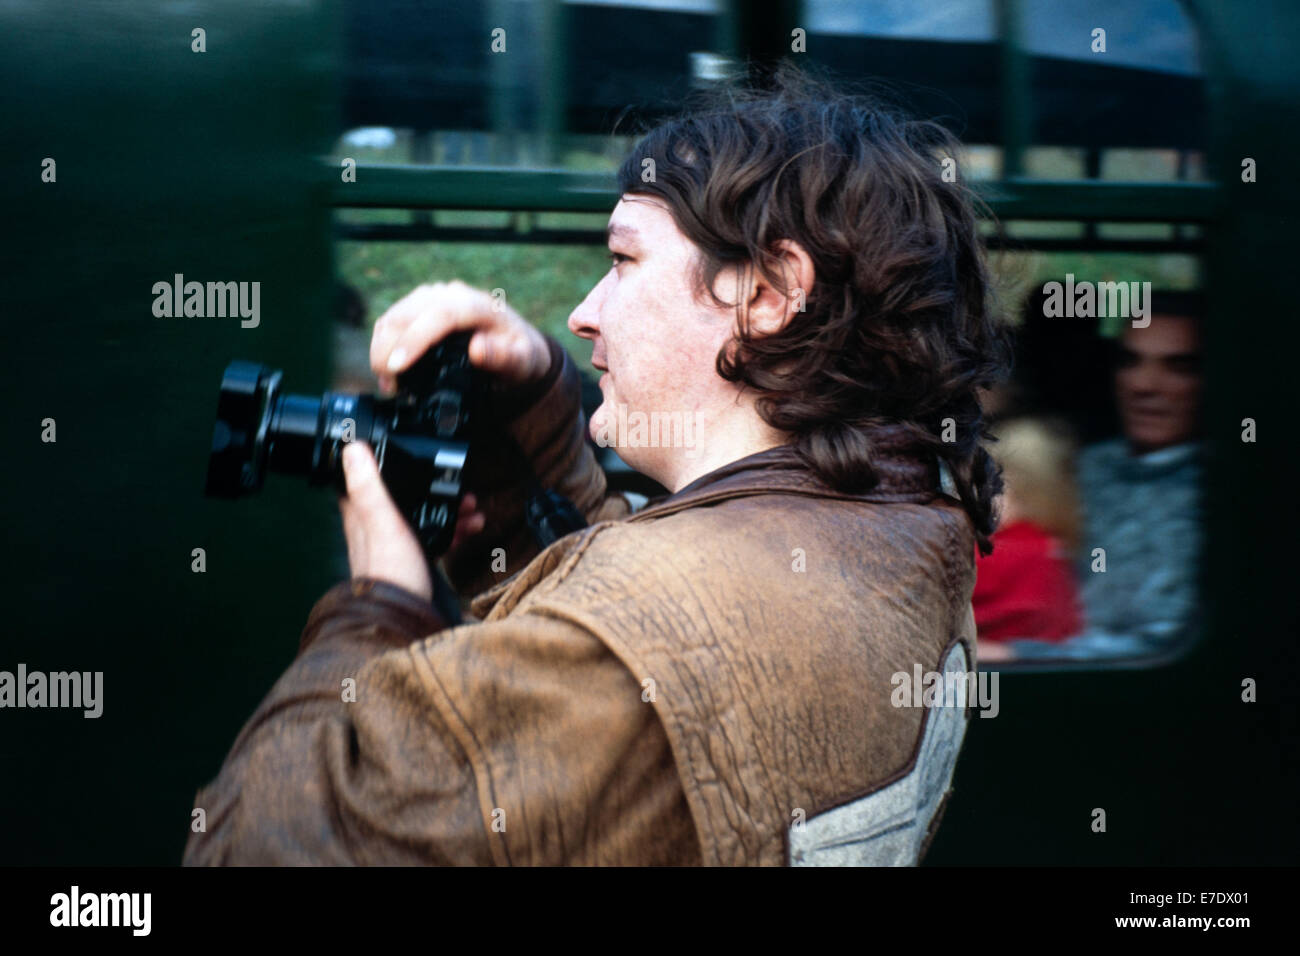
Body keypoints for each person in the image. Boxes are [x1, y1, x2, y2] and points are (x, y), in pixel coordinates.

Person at [183, 64, 1011, 867]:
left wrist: (378, 610)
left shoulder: (636, 643)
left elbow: (250, 847)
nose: (583, 314)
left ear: (764, 294)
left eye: (622, 262)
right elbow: (653, 637)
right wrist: (541, 418)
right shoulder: (909, 532)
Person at [994, 294, 1204, 663]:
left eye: (1179, 367)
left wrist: (1013, 656)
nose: (1144, 384)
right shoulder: (1079, 465)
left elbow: (1167, 651)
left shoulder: (1221, 496)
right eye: (1130, 361)